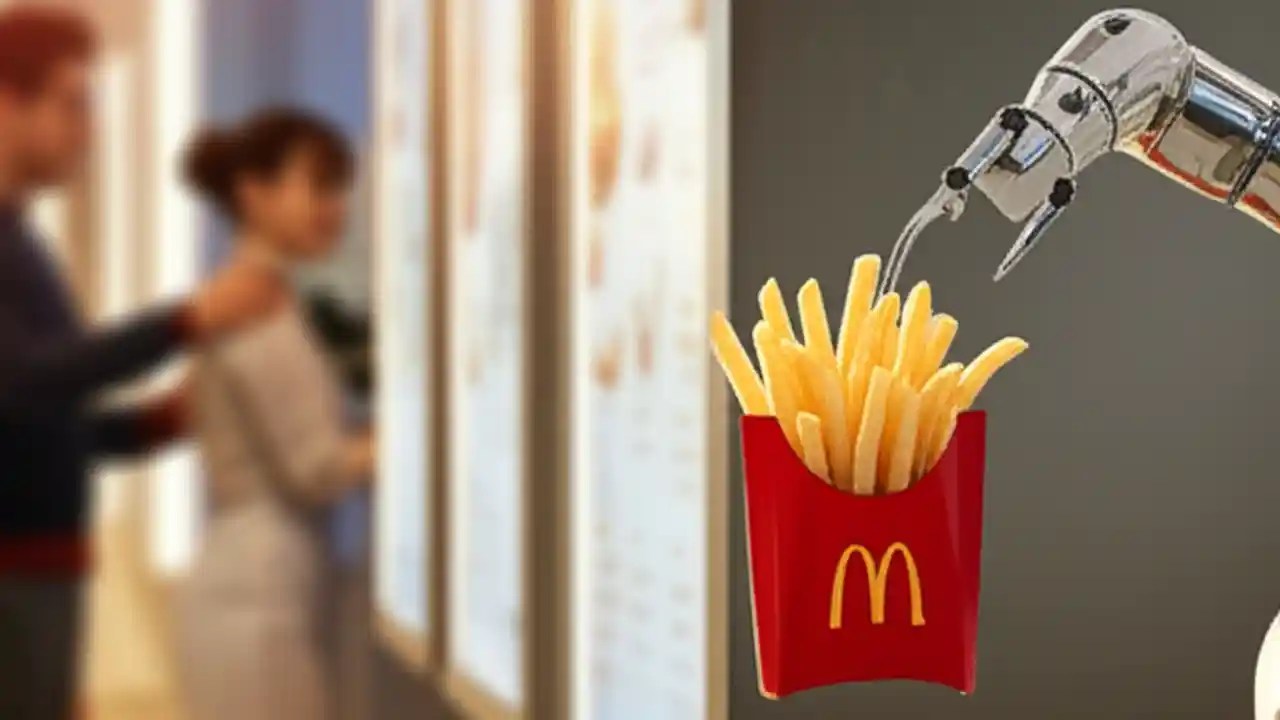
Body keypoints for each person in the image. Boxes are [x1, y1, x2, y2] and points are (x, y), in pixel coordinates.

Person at [0, 8, 283, 720]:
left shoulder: (19, 243)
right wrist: (189, 318)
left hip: (39, 585)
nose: (88, 130)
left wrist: (157, 423)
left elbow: (43, 422)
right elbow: (24, 379)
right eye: (72, 104)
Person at [175, 109, 376, 720]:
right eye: (317, 185)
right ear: (254, 195)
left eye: (340, 186)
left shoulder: (268, 299)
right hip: (257, 604)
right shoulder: (253, 307)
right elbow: (314, 468)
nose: (335, 205)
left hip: (265, 590)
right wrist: (428, 438)